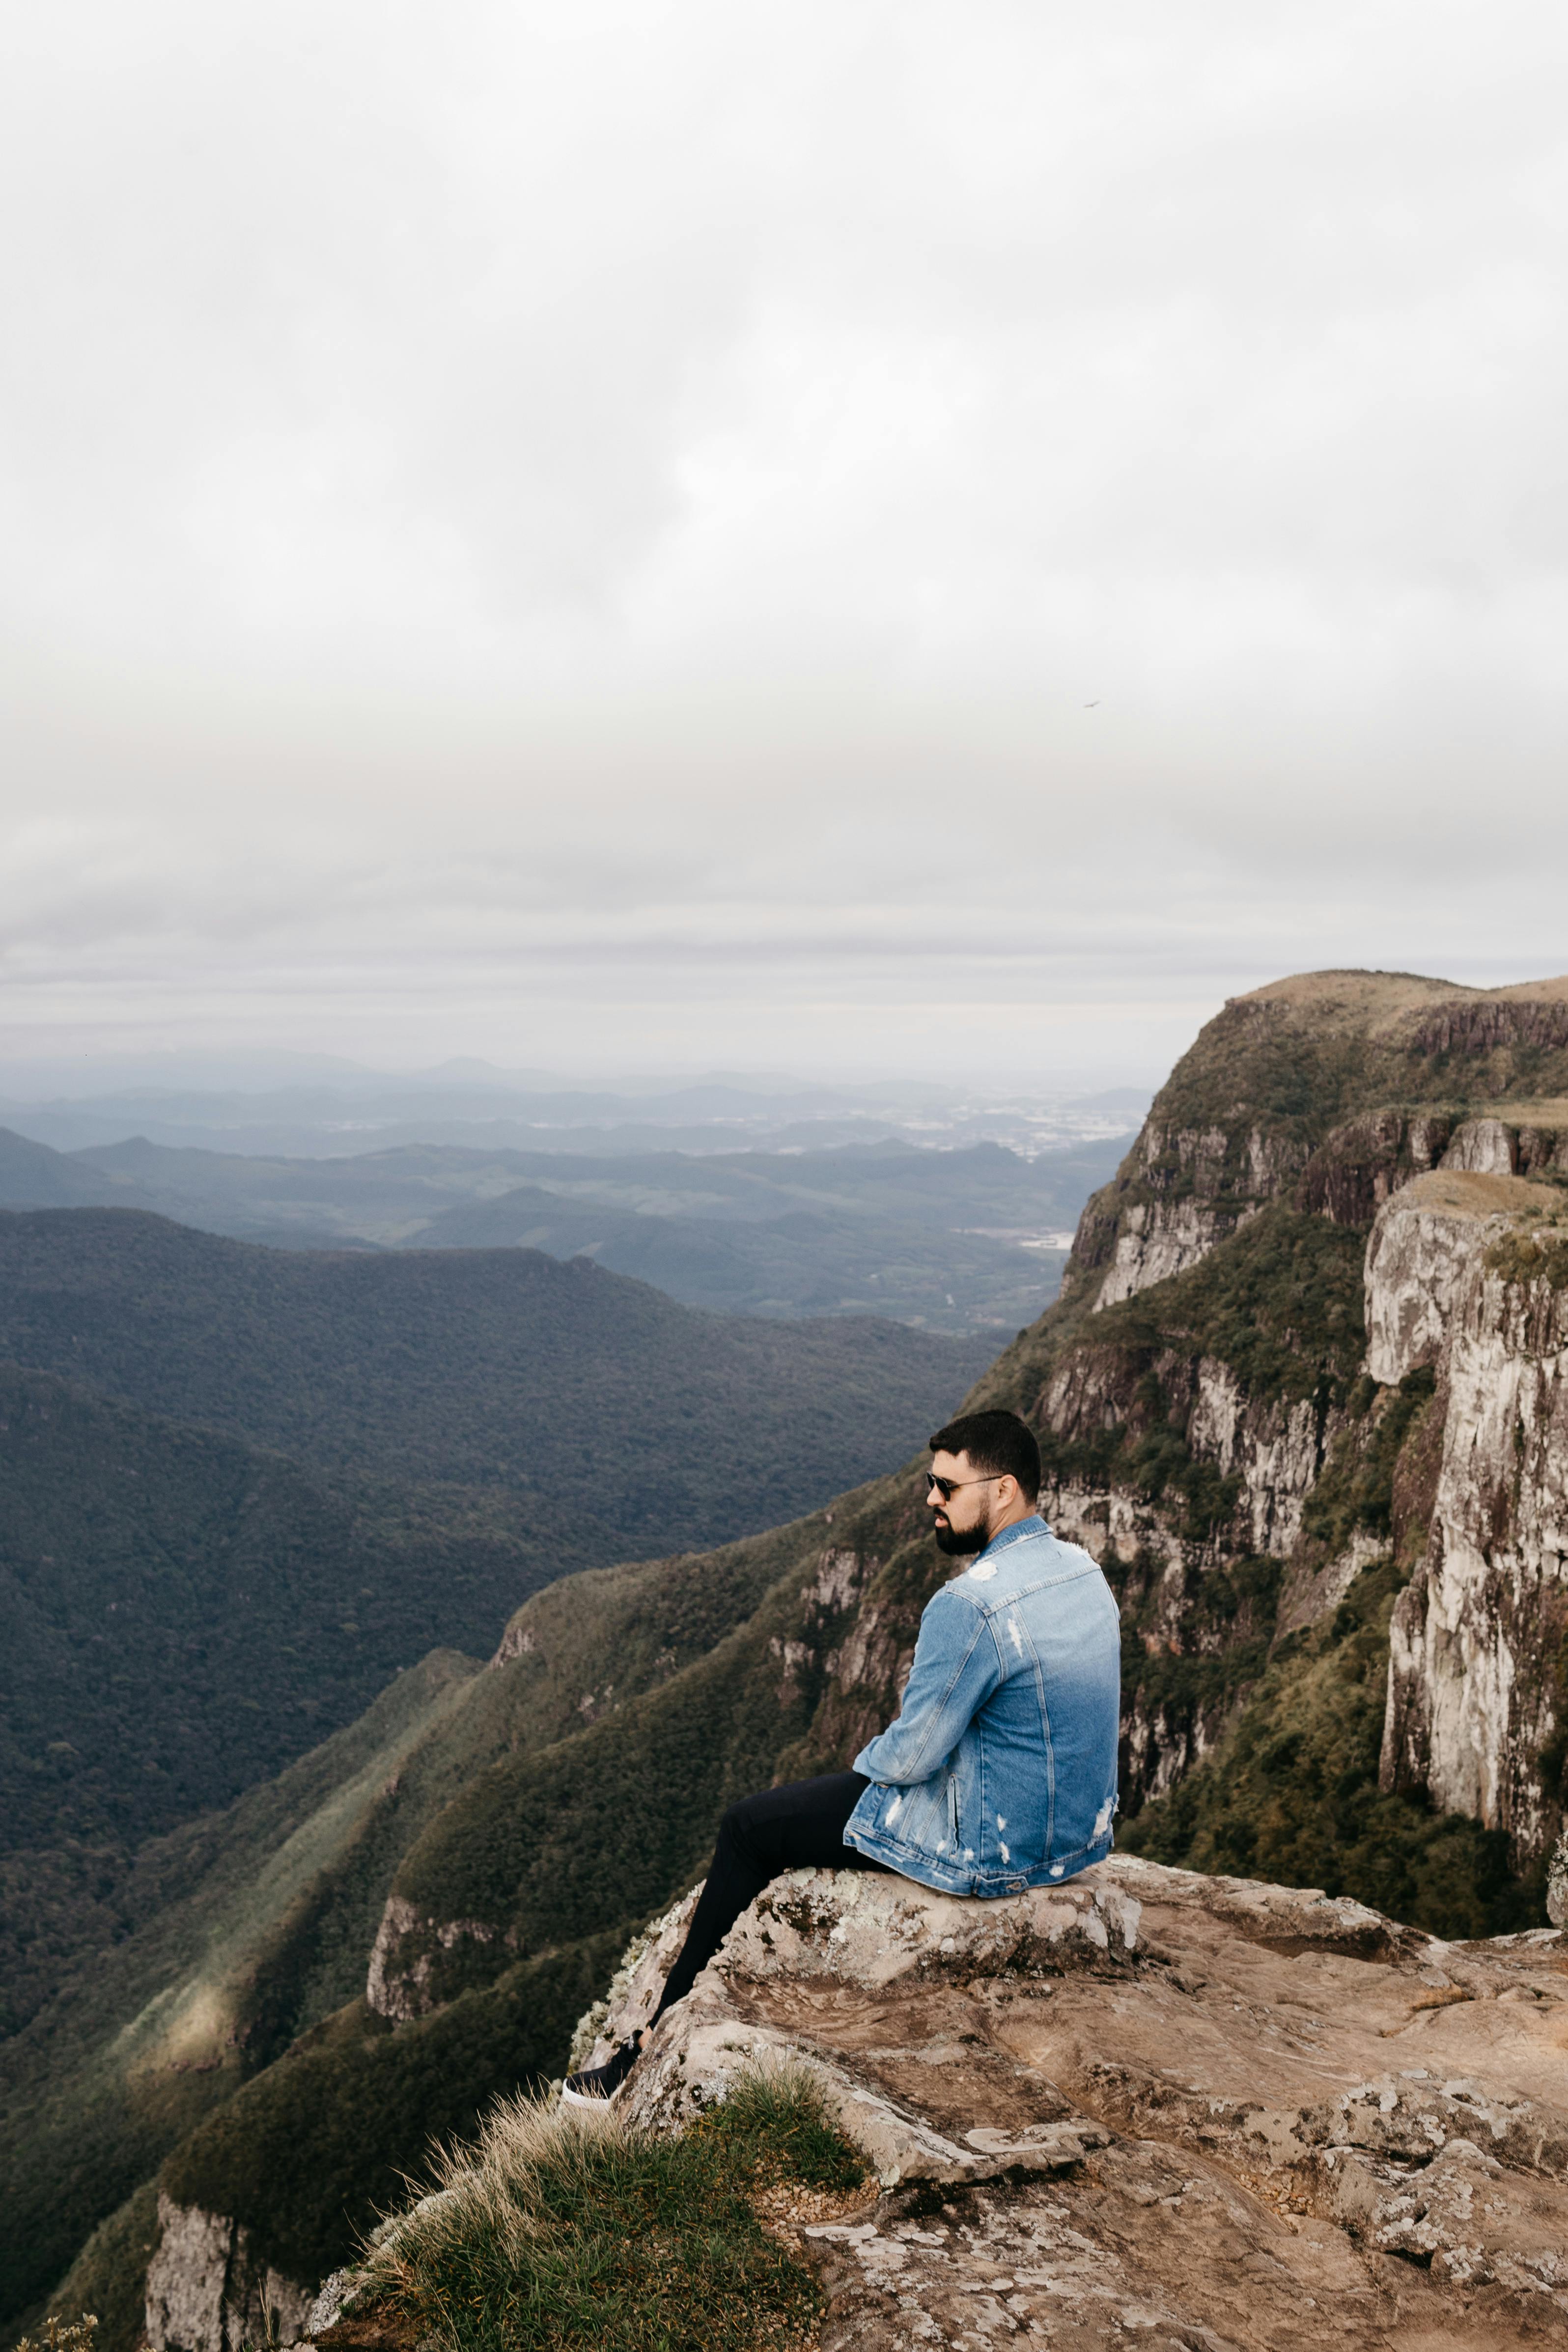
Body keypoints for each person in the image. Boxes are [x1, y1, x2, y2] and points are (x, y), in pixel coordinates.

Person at [561, 1407, 1121, 2106]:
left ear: (1003, 1490)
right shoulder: (1083, 1571)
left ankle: (646, 2046)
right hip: (1075, 1839)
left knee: (749, 1827)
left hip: (991, 1849)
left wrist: (859, 1774)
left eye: (947, 1488)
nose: (931, 1499)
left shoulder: (970, 1605)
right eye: (931, 1483)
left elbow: (911, 1758)